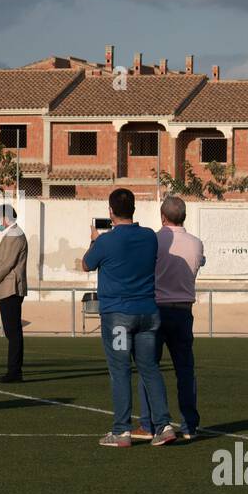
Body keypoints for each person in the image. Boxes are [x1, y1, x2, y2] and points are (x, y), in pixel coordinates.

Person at [83, 188, 174, 447]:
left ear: (110, 212)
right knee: (150, 369)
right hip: (148, 313)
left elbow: (86, 264)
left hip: (119, 317)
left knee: (120, 370)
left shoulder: (105, 241)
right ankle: (164, 425)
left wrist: (94, 240)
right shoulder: (149, 237)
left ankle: (122, 430)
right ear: (133, 209)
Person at [133, 195, 204, 441]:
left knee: (148, 366)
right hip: (183, 310)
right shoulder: (196, 243)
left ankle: (149, 423)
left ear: (163, 216)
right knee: (185, 370)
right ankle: (189, 425)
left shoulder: (154, 240)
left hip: (156, 308)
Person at [0, 205, 28, 383]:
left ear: (6, 217)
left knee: (13, 332)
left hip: (11, 288)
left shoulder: (15, 235)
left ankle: (14, 372)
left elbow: (7, 264)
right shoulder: (12, 234)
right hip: (7, 288)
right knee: (12, 332)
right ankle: (14, 370)